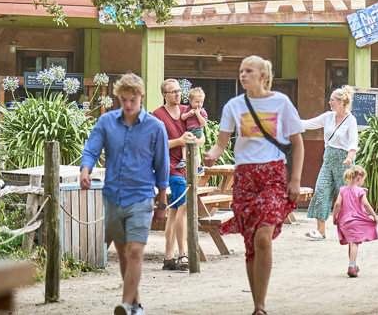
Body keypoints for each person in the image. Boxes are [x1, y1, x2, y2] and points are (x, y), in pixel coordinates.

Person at [204, 55, 305, 315]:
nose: (243, 75)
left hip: (273, 174)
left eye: (248, 71)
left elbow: (297, 143)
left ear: (263, 75)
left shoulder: (281, 102)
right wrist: (212, 155)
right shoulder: (233, 106)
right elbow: (221, 143)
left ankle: (260, 303)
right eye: (241, 71)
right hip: (245, 178)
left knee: (263, 238)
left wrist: (295, 179)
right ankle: (258, 304)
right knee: (250, 242)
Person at [80, 73, 170, 315]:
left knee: (135, 251)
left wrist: (162, 203)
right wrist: (85, 171)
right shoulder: (106, 122)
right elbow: (91, 149)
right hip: (112, 197)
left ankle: (124, 304)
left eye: (132, 100)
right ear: (118, 98)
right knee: (122, 254)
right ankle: (135, 305)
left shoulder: (155, 127)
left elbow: (162, 166)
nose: (128, 105)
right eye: (123, 100)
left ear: (141, 97)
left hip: (141, 197)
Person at [151, 78, 198, 271]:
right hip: (169, 167)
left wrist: (194, 140)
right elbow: (154, 145)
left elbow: (200, 137)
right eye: (172, 92)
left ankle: (168, 257)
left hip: (188, 165)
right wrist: (179, 140)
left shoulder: (188, 111)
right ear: (164, 95)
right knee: (184, 206)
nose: (177, 94)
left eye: (179, 91)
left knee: (175, 211)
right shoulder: (157, 115)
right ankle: (183, 254)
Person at [300, 86, 358, 240]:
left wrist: (349, 158)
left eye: (332, 100)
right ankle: (320, 230)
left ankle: (349, 230)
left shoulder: (350, 120)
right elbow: (308, 124)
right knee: (321, 190)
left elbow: (353, 142)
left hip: (343, 161)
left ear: (340, 102)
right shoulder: (327, 117)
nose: (329, 102)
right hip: (328, 159)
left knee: (345, 196)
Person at [332, 164, 378, 278]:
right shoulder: (360, 191)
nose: (363, 182)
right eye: (363, 179)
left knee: (351, 243)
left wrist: (334, 217)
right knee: (354, 243)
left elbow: (337, 204)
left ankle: (353, 265)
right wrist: (374, 216)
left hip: (344, 221)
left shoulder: (343, 190)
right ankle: (352, 266)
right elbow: (366, 205)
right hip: (356, 221)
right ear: (358, 178)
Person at [181, 87, 209, 173]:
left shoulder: (202, 111)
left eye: (201, 102)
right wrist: (189, 114)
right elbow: (182, 117)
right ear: (190, 101)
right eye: (197, 102)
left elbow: (204, 123)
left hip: (196, 130)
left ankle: (184, 159)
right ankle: (198, 166)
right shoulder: (188, 109)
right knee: (193, 148)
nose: (199, 104)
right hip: (190, 130)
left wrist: (198, 115)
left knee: (184, 143)